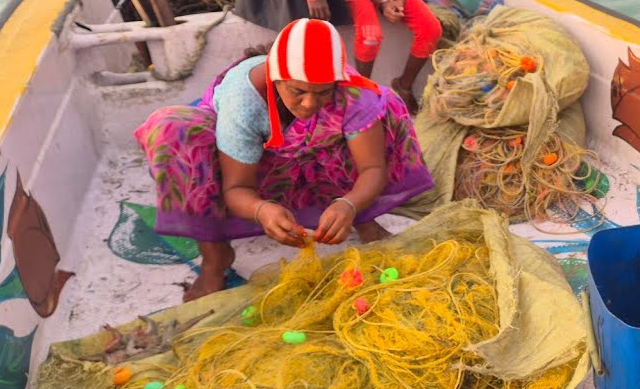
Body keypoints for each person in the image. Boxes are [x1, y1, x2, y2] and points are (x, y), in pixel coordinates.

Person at [134, 18, 434, 301]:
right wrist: (262, 209)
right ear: (275, 78)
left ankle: (364, 218)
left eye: (323, 93)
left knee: (379, 109)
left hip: (307, 153)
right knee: (173, 132)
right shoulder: (243, 101)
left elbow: (372, 167)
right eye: (297, 91)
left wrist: (349, 204)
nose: (309, 103)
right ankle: (215, 256)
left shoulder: (350, 92)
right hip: (247, 162)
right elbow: (236, 188)